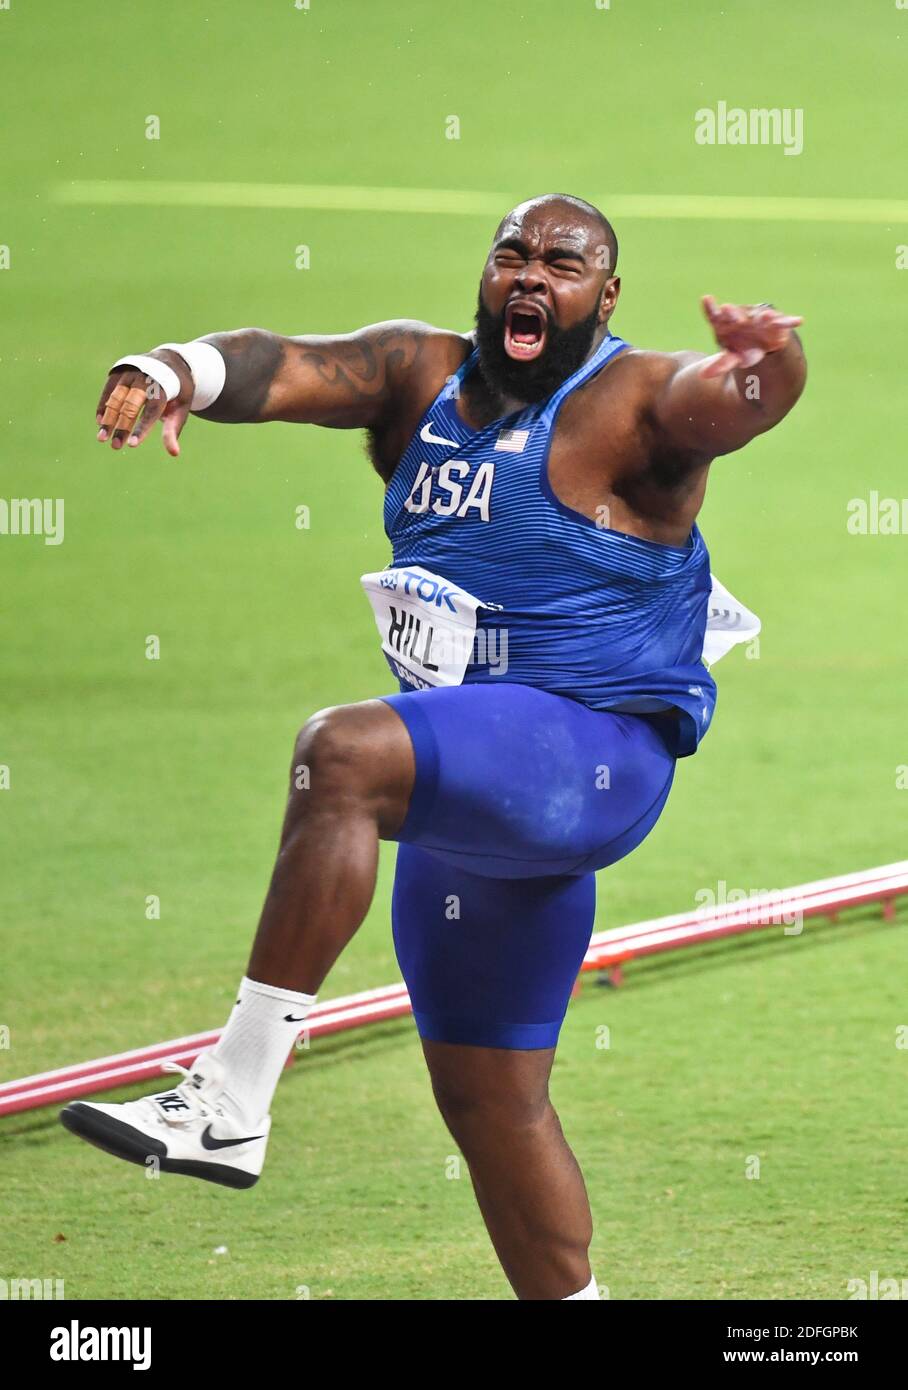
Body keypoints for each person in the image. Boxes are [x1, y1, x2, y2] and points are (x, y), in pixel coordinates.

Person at [61, 193, 806, 1300]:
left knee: (343, 753)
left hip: (591, 759)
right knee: (489, 1107)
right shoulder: (421, 379)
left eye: (562, 262)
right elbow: (281, 365)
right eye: (511, 252)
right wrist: (169, 368)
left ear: (603, 299)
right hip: (479, 790)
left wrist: (768, 362)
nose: (528, 274)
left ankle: (229, 1097)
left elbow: (734, 402)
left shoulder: (637, 400)